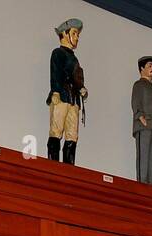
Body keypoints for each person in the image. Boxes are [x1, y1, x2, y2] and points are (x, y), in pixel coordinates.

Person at [47, 19, 86, 164]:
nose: (77, 37)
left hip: (73, 99)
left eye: (77, 34)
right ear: (64, 34)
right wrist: (55, 91)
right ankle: (52, 164)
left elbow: (76, 78)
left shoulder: (74, 58)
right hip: (61, 96)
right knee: (56, 130)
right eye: (74, 33)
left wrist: (81, 87)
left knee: (72, 134)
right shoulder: (58, 53)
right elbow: (55, 72)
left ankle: (69, 166)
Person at [131, 55, 152, 185]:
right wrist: (140, 116)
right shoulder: (139, 84)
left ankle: (151, 185)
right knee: (143, 156)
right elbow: (135, 101)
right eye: (150, 66)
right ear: (141, 68)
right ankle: (142, 184)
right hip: (144, 125)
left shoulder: (151, 87)